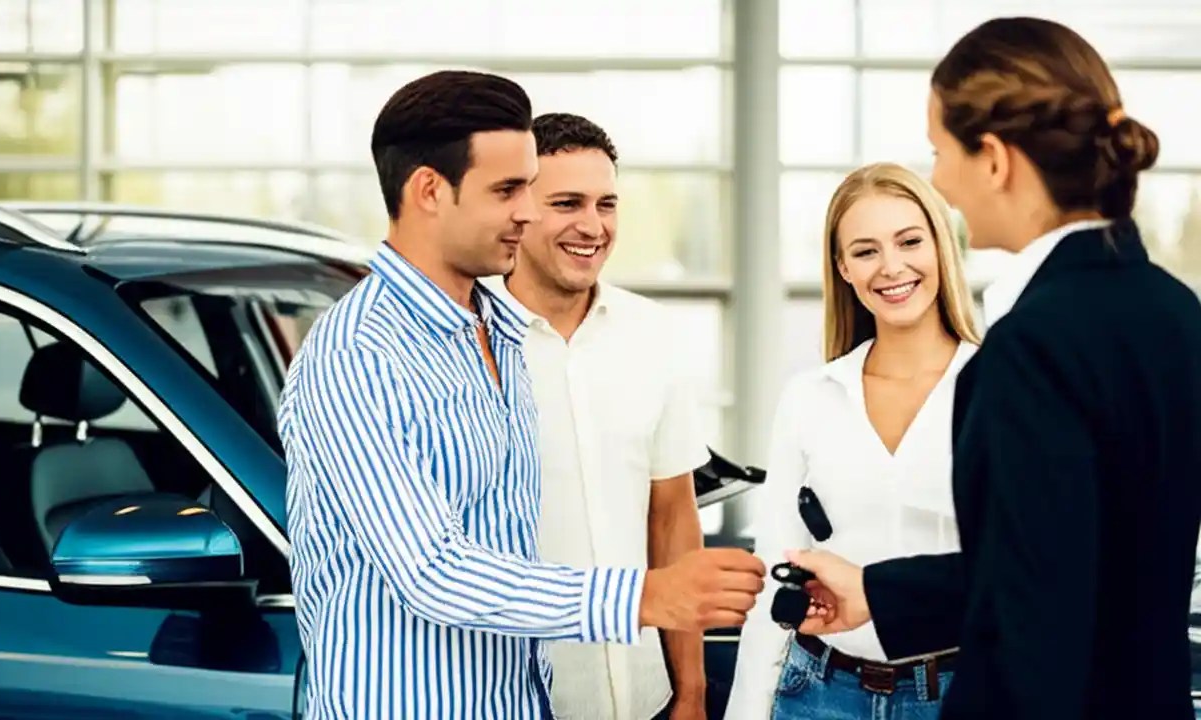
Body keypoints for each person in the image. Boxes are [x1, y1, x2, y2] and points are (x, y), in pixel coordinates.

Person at [278, 70, 767, 720]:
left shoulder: (491, 332)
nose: (528, 210)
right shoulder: (357, 356)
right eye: (510, 190)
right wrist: (644, 598)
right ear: (429, 190)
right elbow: (432, 571)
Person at [785, 17, 1201, 720]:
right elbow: (1075, 568)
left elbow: (1030, 634)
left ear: (996, 159)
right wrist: (880, 594)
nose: (940, 178)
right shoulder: (1174, 311)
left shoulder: (1030, 349)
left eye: (940, 151)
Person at [723, 163, 980, 720]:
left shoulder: (1001, 389)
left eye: (909, 241)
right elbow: (775, 571)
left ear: (940, 246)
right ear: (842, 268)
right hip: (819, 694)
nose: (891, 267)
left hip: (965, 693)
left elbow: (1026, 569)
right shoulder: (810, 396)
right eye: (865, 251)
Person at [482, 112, 710, 720]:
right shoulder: (466, 344)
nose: (592, 226)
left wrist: (690, 692)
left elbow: (673, 517)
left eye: (606, 204)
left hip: (646, 698)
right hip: (519, 701)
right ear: (521, 211)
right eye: (567, 203)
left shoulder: (653, 334)